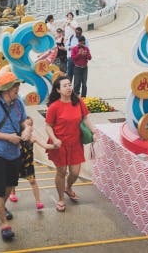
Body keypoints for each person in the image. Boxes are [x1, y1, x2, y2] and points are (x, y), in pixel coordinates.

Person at [0, 71, 31, 241]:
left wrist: (27, 129)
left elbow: (24, 121)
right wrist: (8, 137)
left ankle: (0, 206)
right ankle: (4, 224)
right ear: (5, 89)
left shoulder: (19, 103)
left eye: (18, 85)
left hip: (15, 154)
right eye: (15, 86)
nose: (18, 88)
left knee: (11, 185)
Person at [45, 76, 95, 213]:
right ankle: (61, 198)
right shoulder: (54, 107)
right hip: (59, 144)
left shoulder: (77, 101)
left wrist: (94, 131)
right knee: (61, 172)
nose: (68, 87)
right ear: (58, 90)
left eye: (69, 85)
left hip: (75, 143)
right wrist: (54, 139)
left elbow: (85, 118)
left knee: (75, 172)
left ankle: (68, 187)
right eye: (65, 86)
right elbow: (48, 126)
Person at [7, 116, 54, 210]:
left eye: (31, 125)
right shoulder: (17, 137)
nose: (29, 127)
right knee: (13, 181)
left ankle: (38, 201)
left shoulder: (33, 138)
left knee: (33, 181)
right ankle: (12, 193)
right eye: (27, 124)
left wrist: (55, 145)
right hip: (16, 162)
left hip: (28, 164)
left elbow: (45, 145)